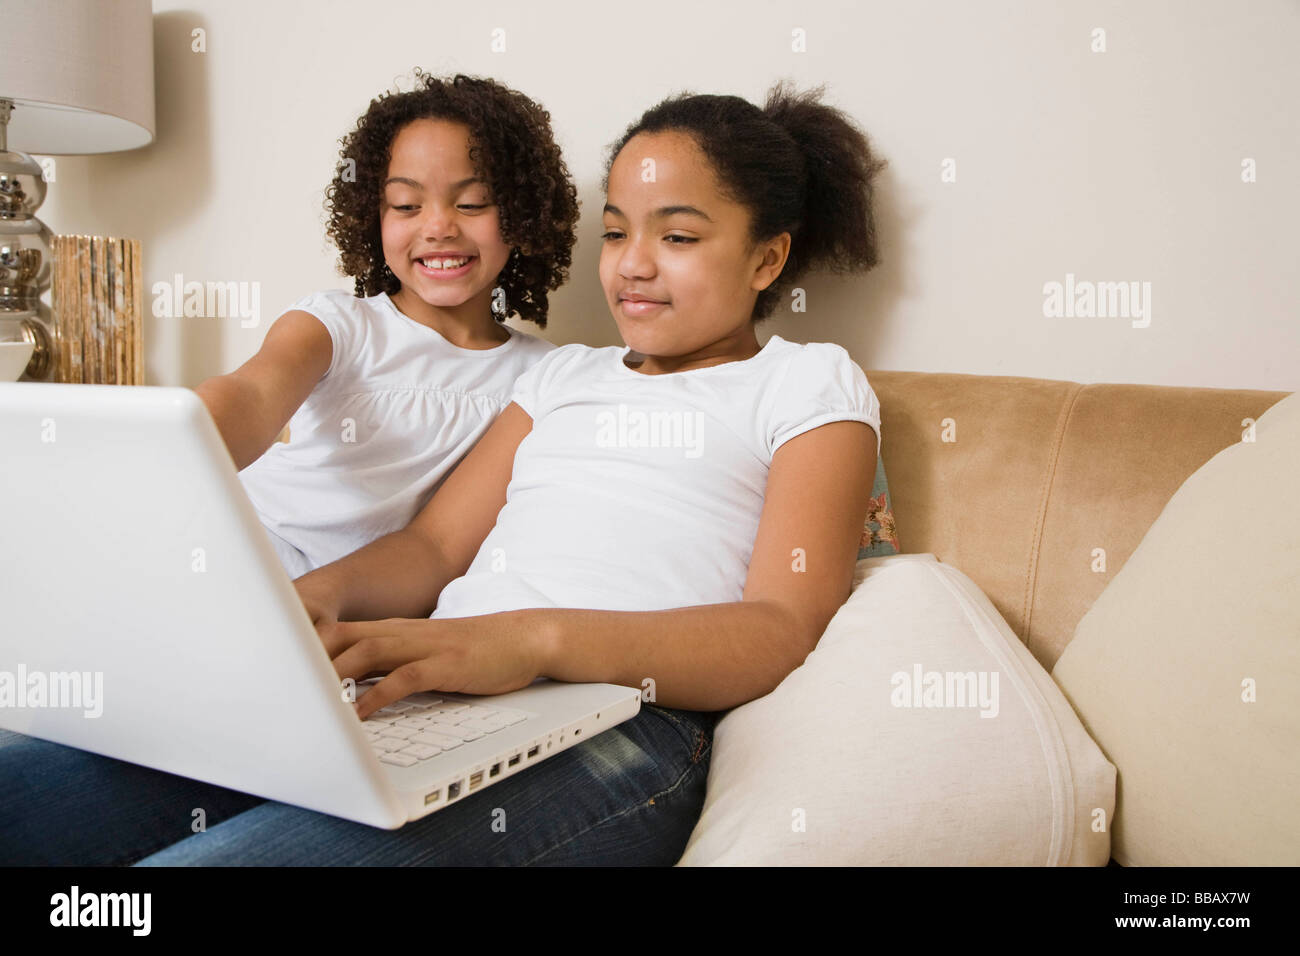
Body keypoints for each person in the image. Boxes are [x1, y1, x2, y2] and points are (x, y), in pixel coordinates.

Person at [0, 80, 886, 866]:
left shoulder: (808, 382)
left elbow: (780, 626)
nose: (633, 264)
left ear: (768, 258)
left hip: (621, 727)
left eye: (678, 235)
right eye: (615, 232)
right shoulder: (560, 375)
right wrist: (314, 600)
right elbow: (430, 546)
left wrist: (527, 641)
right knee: (38, 789)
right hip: (440, 688)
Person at [195, 71, 578, 577]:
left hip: (362, 597)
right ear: (373, 219)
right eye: (406, 205)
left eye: (471, 203)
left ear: (523, 214)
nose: (439, 226)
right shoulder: (336, 326)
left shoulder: (542, 375)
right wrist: (186, 439)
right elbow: (251, 395)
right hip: (247, 548)